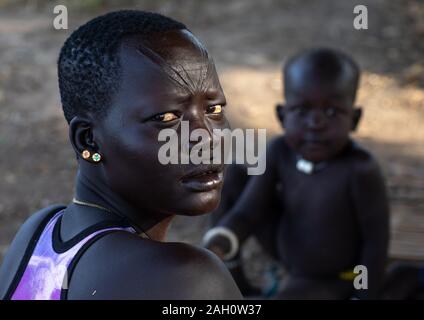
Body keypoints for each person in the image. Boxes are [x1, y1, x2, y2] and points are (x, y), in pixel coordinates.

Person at [0, 10, 242, 300]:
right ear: (89, 139)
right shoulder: (186, 278)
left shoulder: (40, 232)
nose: (207, 137)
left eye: (213, 110)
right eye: (166, 118)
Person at [204, 48, 390, 299]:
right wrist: (219, 243)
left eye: (332, 112)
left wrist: (362, 295)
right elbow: (248, 211)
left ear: (354, 119)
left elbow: (375, 245)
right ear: (282, 115)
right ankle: (235, 279)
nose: (316, 123)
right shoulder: (281, 151)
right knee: (234, 174)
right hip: (286, 246)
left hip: (331, 276)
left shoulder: (360, 170)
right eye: (302, 111)